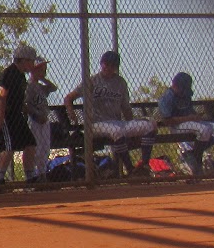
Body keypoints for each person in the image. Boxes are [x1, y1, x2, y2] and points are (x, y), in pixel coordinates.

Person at [64, 49, 154, 177]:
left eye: (113, 65)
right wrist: (71, 112)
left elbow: (126, 108)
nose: (109, 67)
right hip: (95, 124)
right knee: (116, 131)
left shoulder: (120, 82)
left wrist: (132, 125)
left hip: (116, 122)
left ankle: (144, 166)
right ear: (101, 64)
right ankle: (130, 169)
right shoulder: (92, 81)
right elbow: (68, 98)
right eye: (106, 64)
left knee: (148, 126)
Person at [156, 71, 214, 176]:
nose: (184, 91)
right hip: (177, 127)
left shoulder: (185, 95)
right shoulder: (167, 98)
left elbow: (190, 111)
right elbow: (167, 120)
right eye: (183, 88)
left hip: (190, 123)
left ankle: (194, 153)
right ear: (176, 85)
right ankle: (197, 159)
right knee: (204, 129)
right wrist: (188, 118)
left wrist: (196, 116)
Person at [0, 43, 38, 184]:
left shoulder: (21, 76)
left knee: (30, 143)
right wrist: (0, 119)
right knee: (9, 146)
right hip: (5, 115)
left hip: (16, 116)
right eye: (31, 61)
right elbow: (1, 96)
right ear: (23, 60)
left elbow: (18, 99)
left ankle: (30, 176)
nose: (33, 64)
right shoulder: (9, 73)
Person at [25, 55, 56, 180]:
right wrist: (36, 116)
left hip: (45, 120)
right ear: (32, 70)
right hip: (34, 121)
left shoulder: (41, 87)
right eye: (39, 69)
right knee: (36, 148)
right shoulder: (29, 86)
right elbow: (26, 105)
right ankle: (35, 175)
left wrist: (43, 79)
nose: (42, 72)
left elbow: (53, 88)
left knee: (45, 148)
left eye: (44, 70)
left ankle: (42, 174)